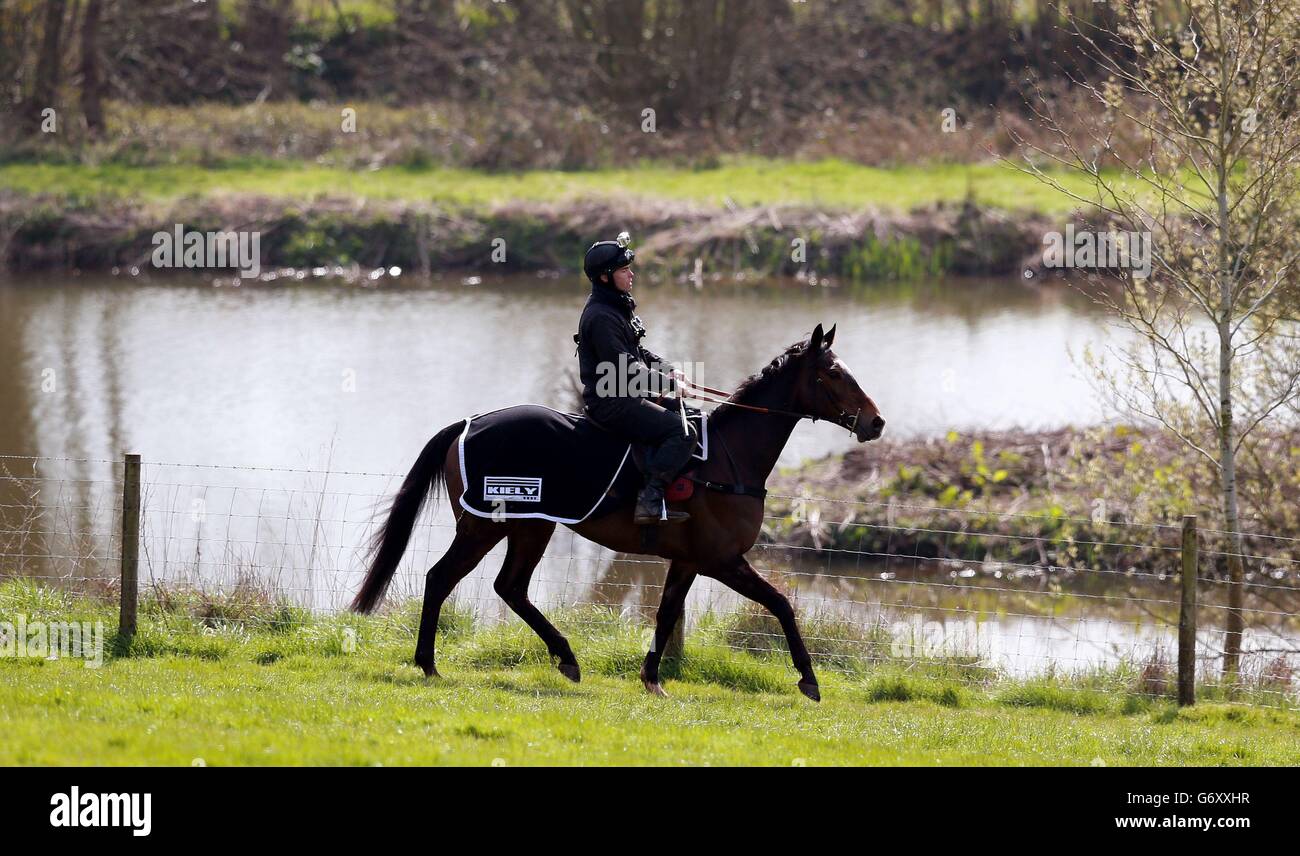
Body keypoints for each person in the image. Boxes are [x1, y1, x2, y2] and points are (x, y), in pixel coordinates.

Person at [575, 236, 696, 524]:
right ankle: (649, 500)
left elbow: (638, 352)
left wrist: (668, 370)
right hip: (611, 401)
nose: (631, 275)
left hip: (626, 393)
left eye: (629, 268)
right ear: (605, 277)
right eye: (623, 270)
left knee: (693, 416)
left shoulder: (615, 305)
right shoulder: (601, 317)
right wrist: (668, 385)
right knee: (683, 432)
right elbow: (626, 368)